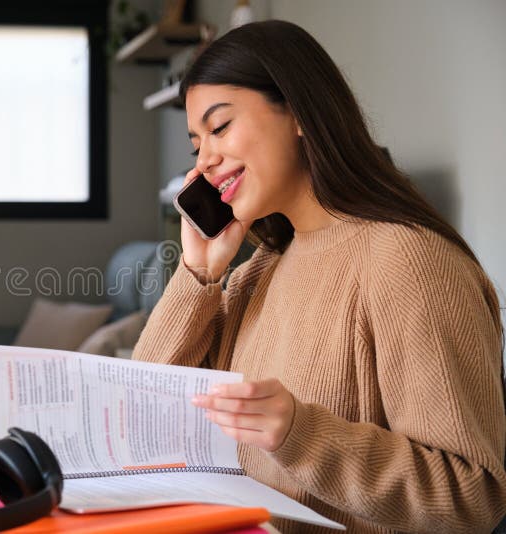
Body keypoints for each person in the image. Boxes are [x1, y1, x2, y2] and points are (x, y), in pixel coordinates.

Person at [132, 20, 506, 533]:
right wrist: (198, 273)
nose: (206, 160)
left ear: (300, 114)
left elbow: (472, 495)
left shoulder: (410, 262)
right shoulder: (257, 271)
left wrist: (301, 434)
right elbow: (141, 405)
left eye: (219, 128)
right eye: (197, 143)